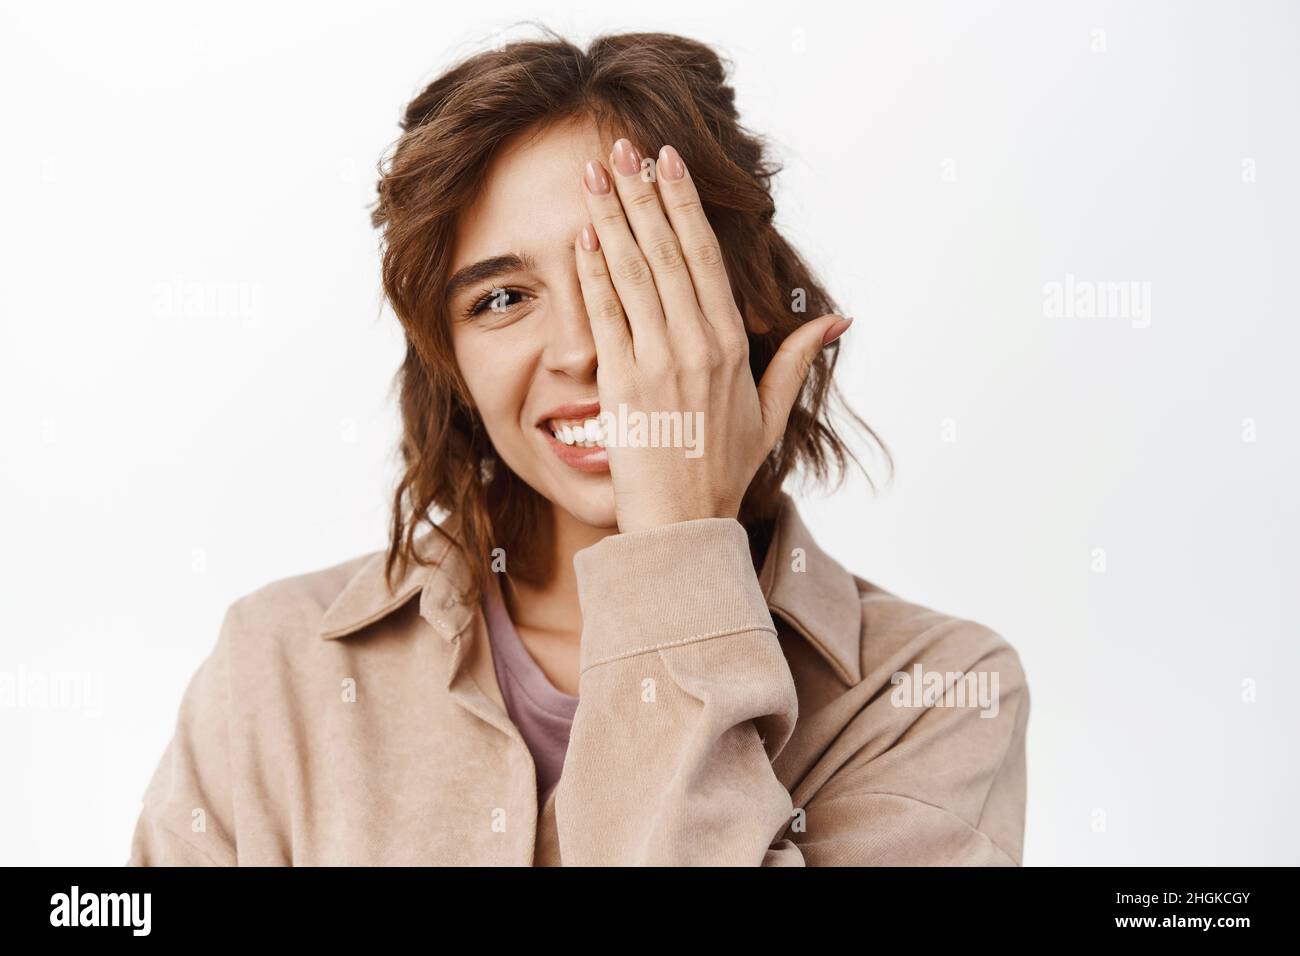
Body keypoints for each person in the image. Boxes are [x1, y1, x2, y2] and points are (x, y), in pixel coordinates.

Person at [128, 29, 1028, 866]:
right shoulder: (276, 664)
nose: (580, 350)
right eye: (500, 300)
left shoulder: (940, 693)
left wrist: (674, 539)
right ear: (452, 368)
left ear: (752, 301)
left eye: (635, 268)